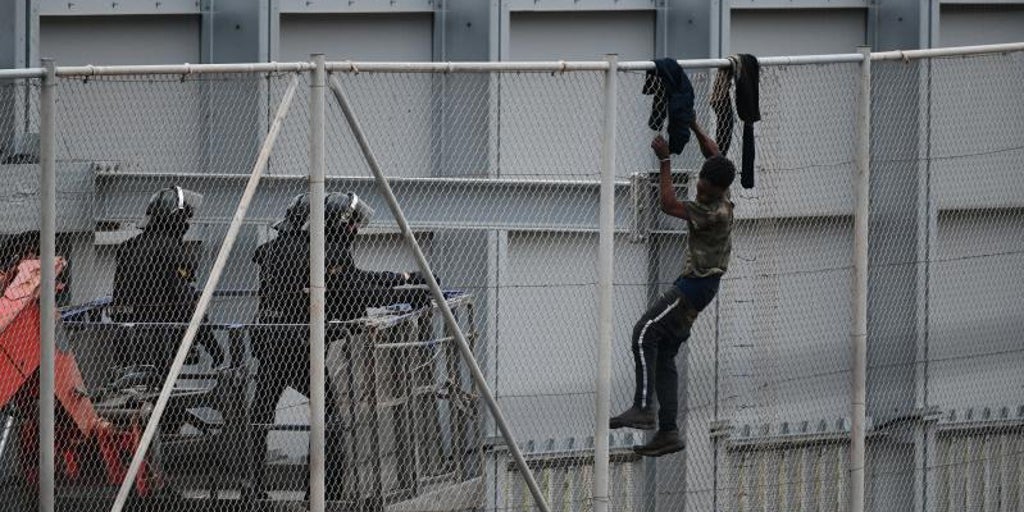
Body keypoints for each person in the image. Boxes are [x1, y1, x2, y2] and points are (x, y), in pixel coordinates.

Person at [247, 191, 431, 499]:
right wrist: (408, 293)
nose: (354, 231)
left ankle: (252, 489)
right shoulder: (323, 253)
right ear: (332, 223)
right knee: (329, 415)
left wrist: (401, 278)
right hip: (298, 344)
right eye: (350, 225)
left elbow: (352, 281)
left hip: (269, 339)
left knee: (261, 413)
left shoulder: (276, 249)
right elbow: (354, 293)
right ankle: (324, 492)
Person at [609, 119, 736, 457]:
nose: (698, 188)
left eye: (703, 186)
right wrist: (691, 123)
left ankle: (643, 407)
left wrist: (665, 160)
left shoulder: (711, 210)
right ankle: (668, 432)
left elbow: (668, 204)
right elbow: (714, 153)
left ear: (714, 190)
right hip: (702, 288)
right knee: (664, 353)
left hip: (693, 287)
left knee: (643, 332)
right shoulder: (723, 187)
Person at [110, 186, 222, 371]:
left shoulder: (127, 247)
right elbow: (186, 302)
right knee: (194, 301)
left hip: (124, 336)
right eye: (185, 217)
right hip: (161, 339)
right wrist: (212, 346)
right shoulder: (174, 251)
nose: (187, 222)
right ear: (176, 219)